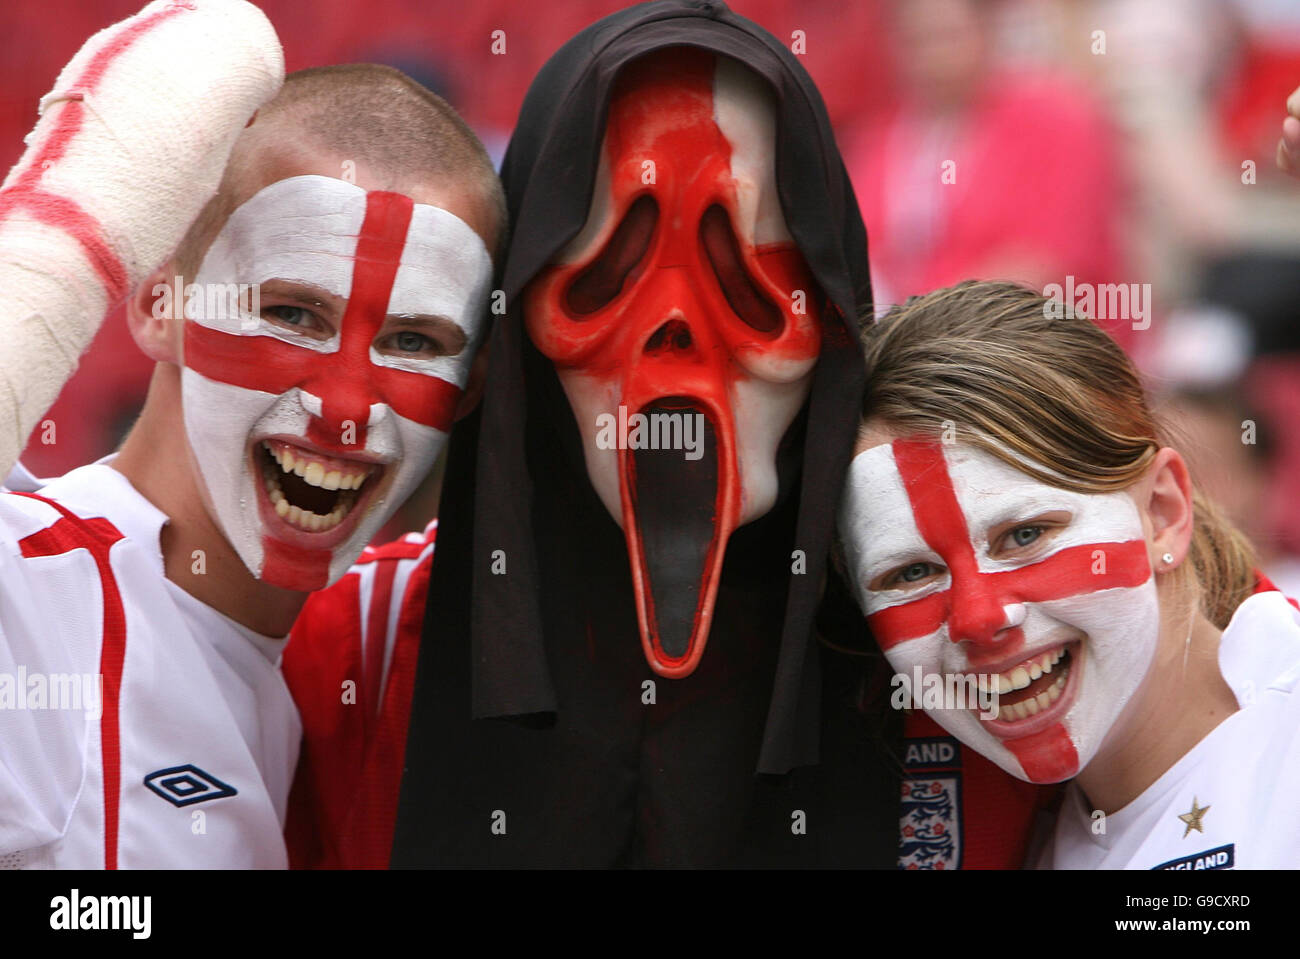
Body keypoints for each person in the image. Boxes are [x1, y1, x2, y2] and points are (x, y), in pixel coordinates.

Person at [285, 0, 1048, 870]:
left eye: (746, 279)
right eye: (608, 275)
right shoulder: (353, 650)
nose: (675, 330)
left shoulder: (975, 653)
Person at [0, 1, 503, 868]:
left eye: (414, 342)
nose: (346, 408)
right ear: (160, 301)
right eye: (294, 314)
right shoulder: (32, 597)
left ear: (468, 394)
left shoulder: (316, 674)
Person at [837, 280, 1300, 869]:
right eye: (912, 572)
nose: (979, 619)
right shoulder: (1022, 834)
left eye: (1026, 535)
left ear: (1163, 513)